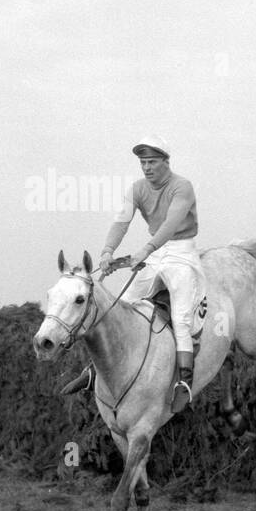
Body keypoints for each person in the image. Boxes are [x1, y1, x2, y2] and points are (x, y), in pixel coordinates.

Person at [61, 137, 203, 414]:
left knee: (182, 317)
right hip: (154, 252)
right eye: (143, 163)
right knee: (119, 307)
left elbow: (171, 224)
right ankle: (93, 371)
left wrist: (144, 250)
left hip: (181, 252)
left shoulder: (182, 187)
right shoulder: (137, 189)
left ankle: (184, 382)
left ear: (165, 162)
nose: (147, 168)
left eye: (152, 162)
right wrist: (107, 252)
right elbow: (122, 221)